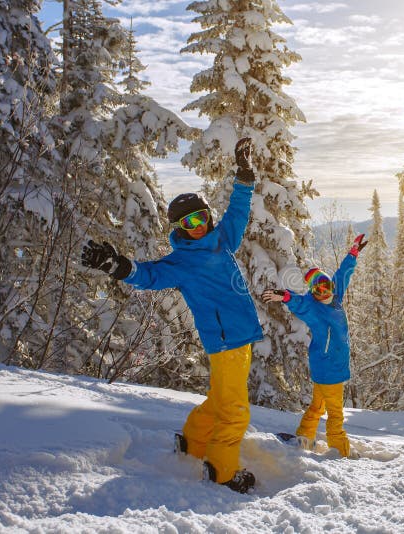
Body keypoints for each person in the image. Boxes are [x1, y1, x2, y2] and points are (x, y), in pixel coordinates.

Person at [80, 138, 261, 493]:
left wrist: (244, 175)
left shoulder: (223, 239)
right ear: (177, 227)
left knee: (221, 398)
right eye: (187, 221)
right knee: (236, 409)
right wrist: (118, 266)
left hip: (240, 338)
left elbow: (238, 210)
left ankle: (192, 443)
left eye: (201, 217)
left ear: (208, 217)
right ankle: (223, 471)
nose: (196, 225)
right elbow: (149, 274)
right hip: (225, 342)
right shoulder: (181, 261)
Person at [260, 234, 367, 457]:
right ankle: (340, 449)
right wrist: (285, 296)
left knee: (318, 407)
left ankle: (304, 437)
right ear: (313, 292)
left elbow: (343, 274)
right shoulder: (313, 308)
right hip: (330, 370)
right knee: (336, 413)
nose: (323, 291)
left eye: (325, 286)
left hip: (325, 367)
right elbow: (299, 303)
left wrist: (353, 253)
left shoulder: (335, 295)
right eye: (317, 290)